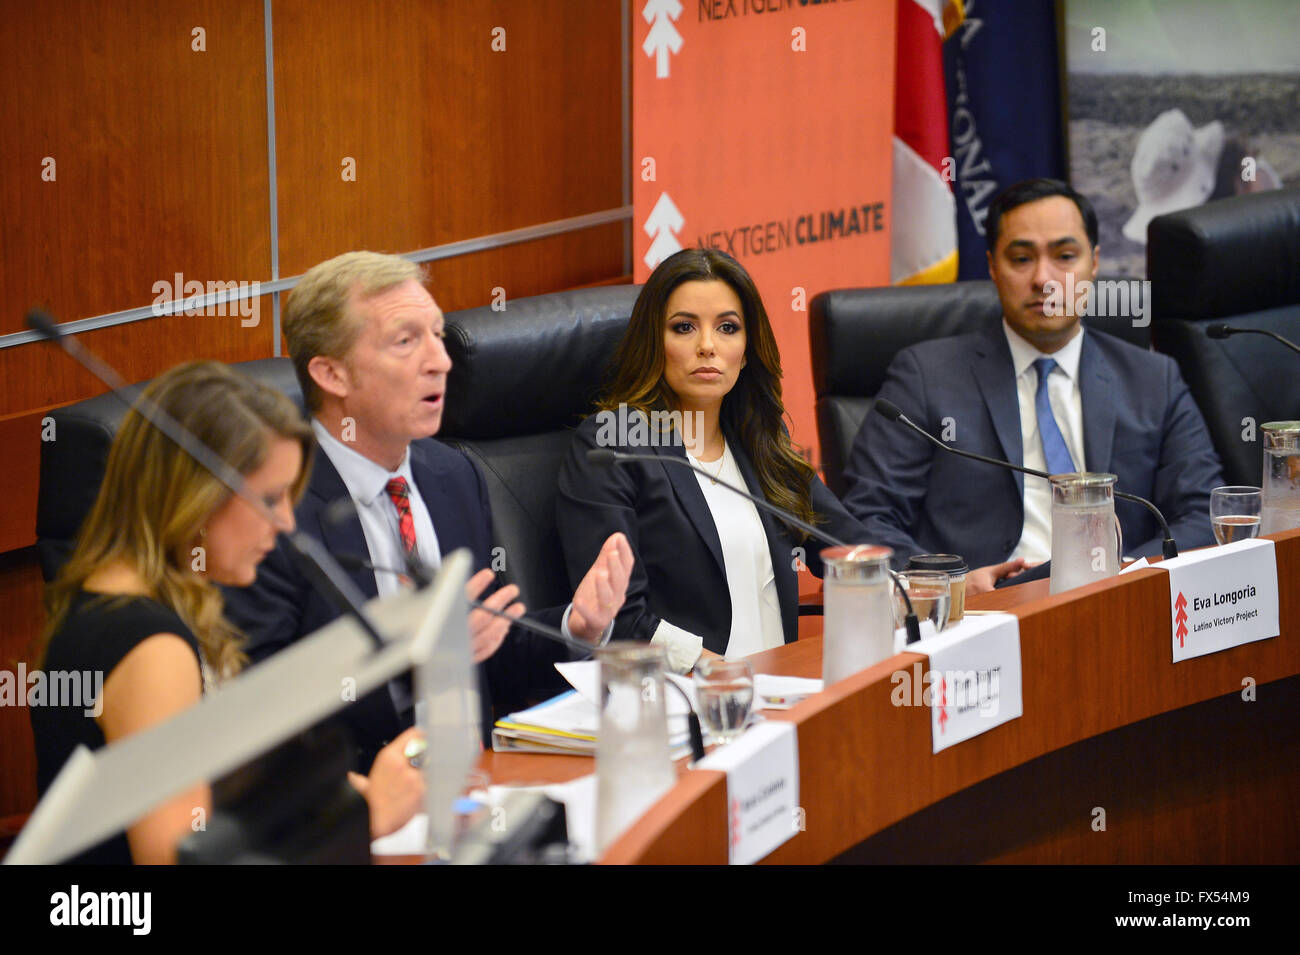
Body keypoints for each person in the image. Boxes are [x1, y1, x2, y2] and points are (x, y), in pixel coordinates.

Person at [222, 252, 633, 769]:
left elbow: (488, 661)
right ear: (332, 374)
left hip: (476, 786)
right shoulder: (278, 513)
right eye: (405, 340)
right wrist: (418, 664)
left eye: (437, 335)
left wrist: (578, 625)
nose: (440, 361)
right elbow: (259, 715)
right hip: (357, 812)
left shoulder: (452, 478)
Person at [31, 361, 425, 864]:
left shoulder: (114, 597)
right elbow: (180, 862)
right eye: (268, 498)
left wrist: (319, 795)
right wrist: (363, 821)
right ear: (192, 494)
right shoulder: (152, 646)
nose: (285, 524)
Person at [842, 178, 1224, 594]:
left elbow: (1203, 512)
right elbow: (868, 517)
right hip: (986, 620)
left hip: (1120, 607)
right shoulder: (926, 376)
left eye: (1064, 256)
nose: (1044, 278)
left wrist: (1128, 573)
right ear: (991, 266)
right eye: (1021, 258)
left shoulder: (1153, 379)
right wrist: (948, 585)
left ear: (1094, 262)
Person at [555, 248, 870, 673]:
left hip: (780, 694)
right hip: (685, 702)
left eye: (727, 328)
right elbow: (619, 616)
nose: (707, 346)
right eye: (684, 327)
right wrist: (715, 672)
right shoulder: (614, 446)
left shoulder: (757, 441)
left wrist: (939, 581)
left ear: (746, 348)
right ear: (654, 341)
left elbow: (850, 548)